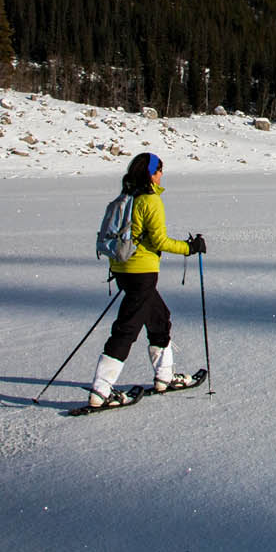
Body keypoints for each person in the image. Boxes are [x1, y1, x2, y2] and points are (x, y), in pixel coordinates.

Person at [87, 151, 207, 407]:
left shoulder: (127, 196)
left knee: (159, 318)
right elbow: (158, 241)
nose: (162, 175)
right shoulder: (149, 201)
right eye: (159, 170)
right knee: (127, 329)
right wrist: (190, 247)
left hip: (122, 269)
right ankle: (100, 392)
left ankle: (164, 377)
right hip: (141, 273)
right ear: (151, 175)